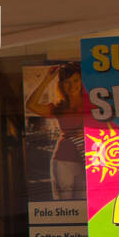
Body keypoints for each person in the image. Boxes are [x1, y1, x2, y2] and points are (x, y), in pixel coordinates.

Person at [25, 62, 85, 200]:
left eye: (76, 80)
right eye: (67, 82)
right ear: (62, 85)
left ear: (81, 80)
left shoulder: (93, 103)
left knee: (84, 206)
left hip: (88, 160)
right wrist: (47, 79)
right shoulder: (59, 107)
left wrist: (89, 133)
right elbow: (31, 105)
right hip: (63, 161)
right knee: (65, 208)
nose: (72, 85)